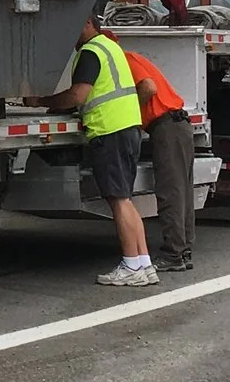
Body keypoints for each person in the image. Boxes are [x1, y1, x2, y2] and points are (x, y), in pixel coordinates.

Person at [48, 15, 154, 285]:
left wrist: (42, 101)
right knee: (126, 199)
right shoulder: (111, 47)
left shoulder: (91, 51)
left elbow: (77, 95)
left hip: (109, 130)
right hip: (128, 127)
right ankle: (143, 264)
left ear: (87, 23)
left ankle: (131, 266)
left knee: (118, 201)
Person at [122, 45, 195, 273]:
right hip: (177, 124)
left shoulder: (124, 59)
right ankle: (183, 250)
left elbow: (148, 87)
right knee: (182, 190)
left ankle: (173, 253)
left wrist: (129, 110)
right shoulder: (133, 57)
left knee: (170, 191)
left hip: (165, 126)